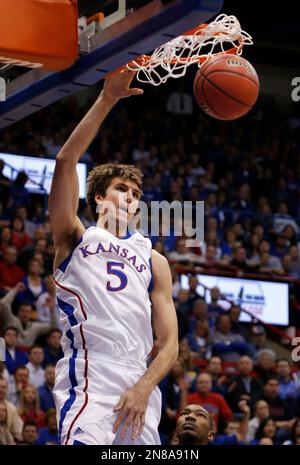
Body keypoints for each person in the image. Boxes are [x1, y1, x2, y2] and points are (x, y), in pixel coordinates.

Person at [49, 69, 178, 445]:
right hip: (92, 371)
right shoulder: (75, 236)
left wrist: (143, 388)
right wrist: (107, 99)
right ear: (100, 199)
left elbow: (170, 345)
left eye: (136, 193)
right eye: (121, 188)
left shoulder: (155, 260)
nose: (131, 197)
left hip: (140, 380)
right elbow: (64, 162)